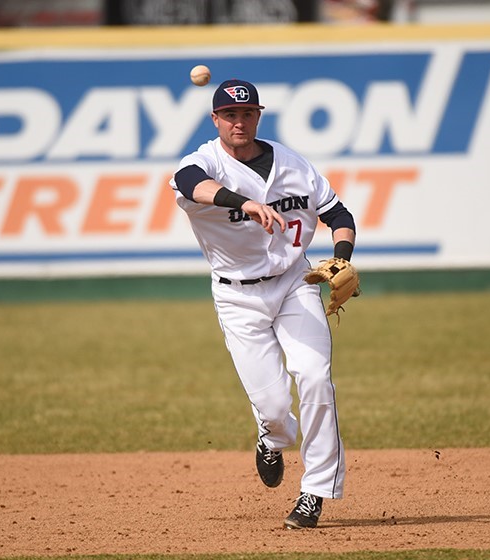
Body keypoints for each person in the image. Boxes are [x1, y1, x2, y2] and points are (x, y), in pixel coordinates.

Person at [169, 78, 358, 529]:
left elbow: (339, 215)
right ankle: (271, 438)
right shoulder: (202, 162)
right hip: (237, 295)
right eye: (230, 115)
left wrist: (342, 258)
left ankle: (314, 492)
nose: (239, 121)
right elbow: (188, 183)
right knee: (275, 409)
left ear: (259, 116)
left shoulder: (293, 164)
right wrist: (246, 202)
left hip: (295, 283)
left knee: (314, 377)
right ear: (216, 120)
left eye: (248, 113)